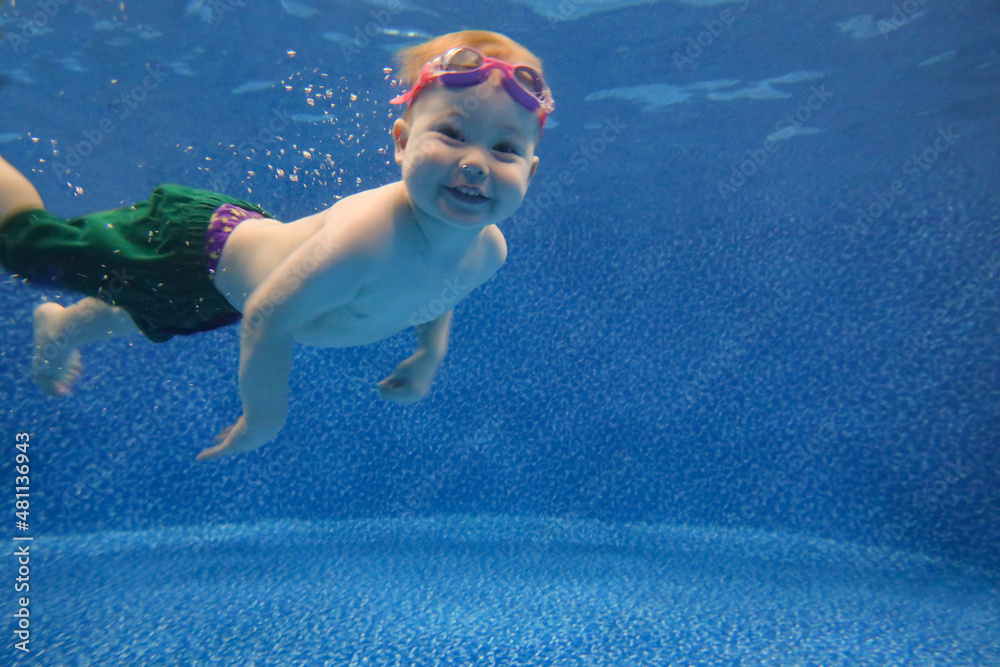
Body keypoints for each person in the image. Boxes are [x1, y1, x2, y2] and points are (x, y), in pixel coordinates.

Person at [0, 30, 554, 461]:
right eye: (452, 134)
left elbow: (443, 286)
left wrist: (429, 352)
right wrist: (264, 418)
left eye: (504, 149)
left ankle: (61, 326)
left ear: (529, 170)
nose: (476, 165)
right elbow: (267, 315)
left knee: (142, 312)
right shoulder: (369, 236)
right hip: (191, 248)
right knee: (28, 246)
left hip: (225, 290)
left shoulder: (488, 252)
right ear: (403, 143)